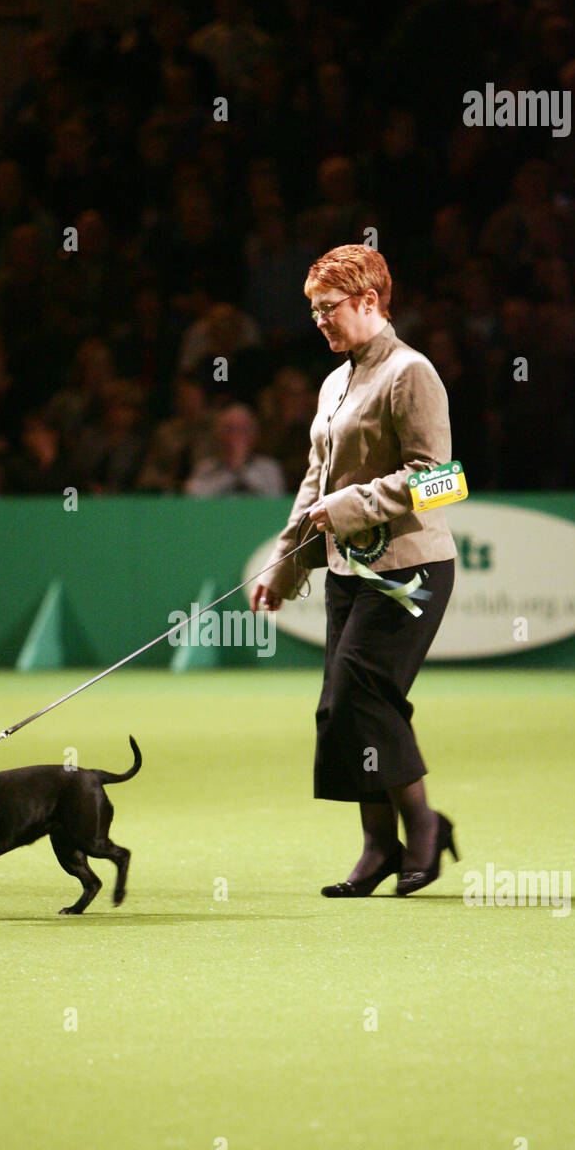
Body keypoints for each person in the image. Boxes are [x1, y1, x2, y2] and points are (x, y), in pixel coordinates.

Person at [250, 245, 458, 897]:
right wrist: (284, 567)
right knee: (341, 709)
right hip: (348, 571)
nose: (319, 321)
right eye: (313, 310)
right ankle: (378, 847)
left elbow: (442, 480)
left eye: (328, 308)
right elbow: (315, 485)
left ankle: (423, 828)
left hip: (410, 569)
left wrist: (352, 505)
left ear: (370, 301)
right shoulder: (335, 382)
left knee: (363, 695)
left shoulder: (410, 372)